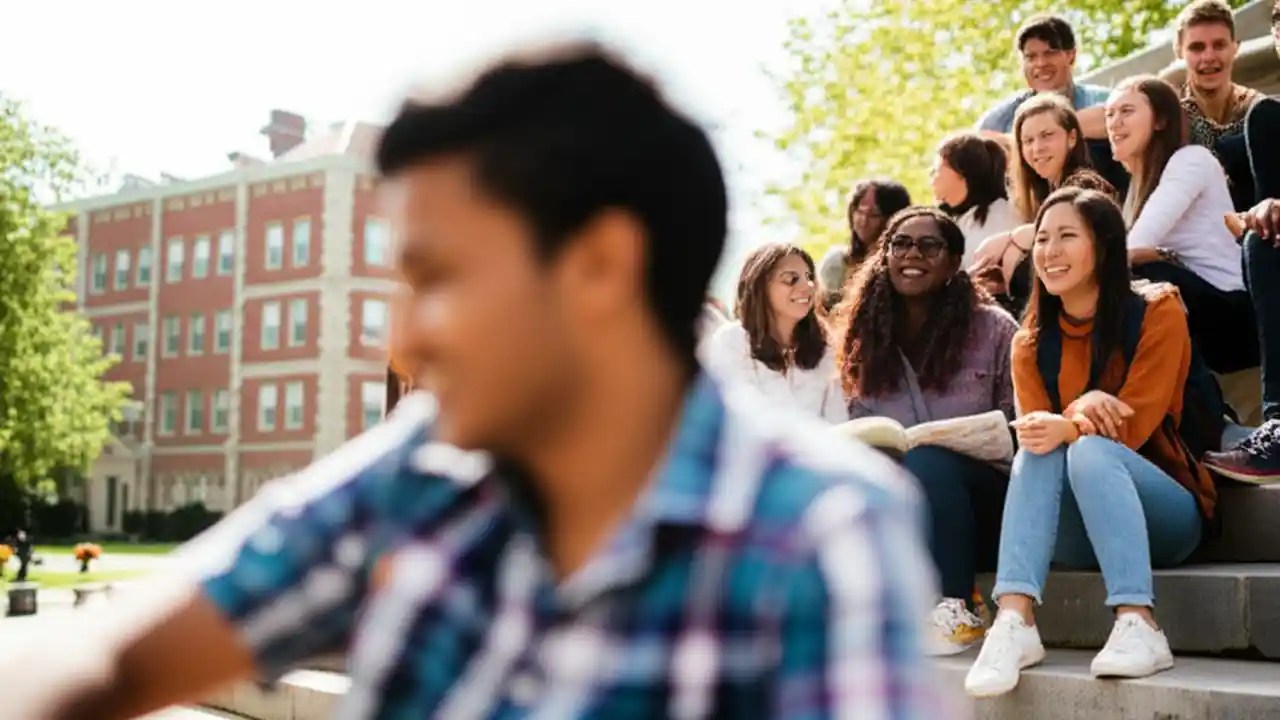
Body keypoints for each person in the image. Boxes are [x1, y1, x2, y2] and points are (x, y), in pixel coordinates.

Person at [2, 45, 948, 719]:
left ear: (598, 266)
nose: (404, 339)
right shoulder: (421, 473)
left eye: (438, 278)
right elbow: (106, 653)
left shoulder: (817, 533)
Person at [965, 187, 1214, 697]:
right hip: (1077, 532)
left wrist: (1073, 423)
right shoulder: (1029, 344)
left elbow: (1139, 419)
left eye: (1066, 237)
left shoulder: (1156, 310)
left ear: (1102, 244)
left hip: (1164, 512)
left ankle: (1138, 622)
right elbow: (1041, 434)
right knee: (1040, 449)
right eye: (1041, 239)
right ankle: (1014, 622)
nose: (1049, 251)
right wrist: (1079, 412)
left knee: (1090, 449)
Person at [837, 207, 1019, 656]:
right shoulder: (865, 342)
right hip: (904, 514)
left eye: (929, 245)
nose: (911, 254)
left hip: (989, 510)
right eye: (900, 244)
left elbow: (1019, 426)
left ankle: (958, 606)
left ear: (954, 262)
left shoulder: (995, 329)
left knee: (929, 460)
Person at [1107, 75, 1255, 379]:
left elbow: (1133, 249)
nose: (1114, 123)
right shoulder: (1135, 190)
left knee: (1147, 278)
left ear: (1161, 120)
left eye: (1127, 111)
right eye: (1110, 114)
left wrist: (1157, 256)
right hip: (1202, 313)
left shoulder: (1190, 160)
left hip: (1237, 317)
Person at [970, 95, 1117, 315]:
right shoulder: (1040, 197)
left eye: (1047, 136)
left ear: (1072, 137)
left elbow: (1077, 233)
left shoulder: (1086, 186)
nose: (1037, 148)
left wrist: (1011, 238)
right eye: (1028, 141)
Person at [977, 14, 1127, 194]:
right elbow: (977, 146)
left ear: (1070, 55)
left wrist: (1015, 142)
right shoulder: (1004, 115)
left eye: (1049, 53)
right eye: (1031, 57)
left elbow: (1114, 119)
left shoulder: (1099, 97)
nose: (1040, 63)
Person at [702, 242, 847, 423]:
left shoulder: (825, 347)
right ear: (761, 286)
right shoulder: (730, 341)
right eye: (791, 279)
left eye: (809, 277)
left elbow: (838, 420)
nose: (807, 286)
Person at [1173, 0, 1264, 211]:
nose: (1209, 57)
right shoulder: (1169, 119)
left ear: (1235, 47)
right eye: (1197, 47)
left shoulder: (1260, 112)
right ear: (1179, 52)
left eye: (1219, 45)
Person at [817, 179, 912, 311]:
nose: (864, 220)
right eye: (860, 211)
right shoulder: (837, 263)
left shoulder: (908, 263)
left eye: (874, 214)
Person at [932, 133, 1021, 267]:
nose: (932, 177)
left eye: (936, 170)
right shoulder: (953, 217)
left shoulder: (1000, 219)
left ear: (960, 172)